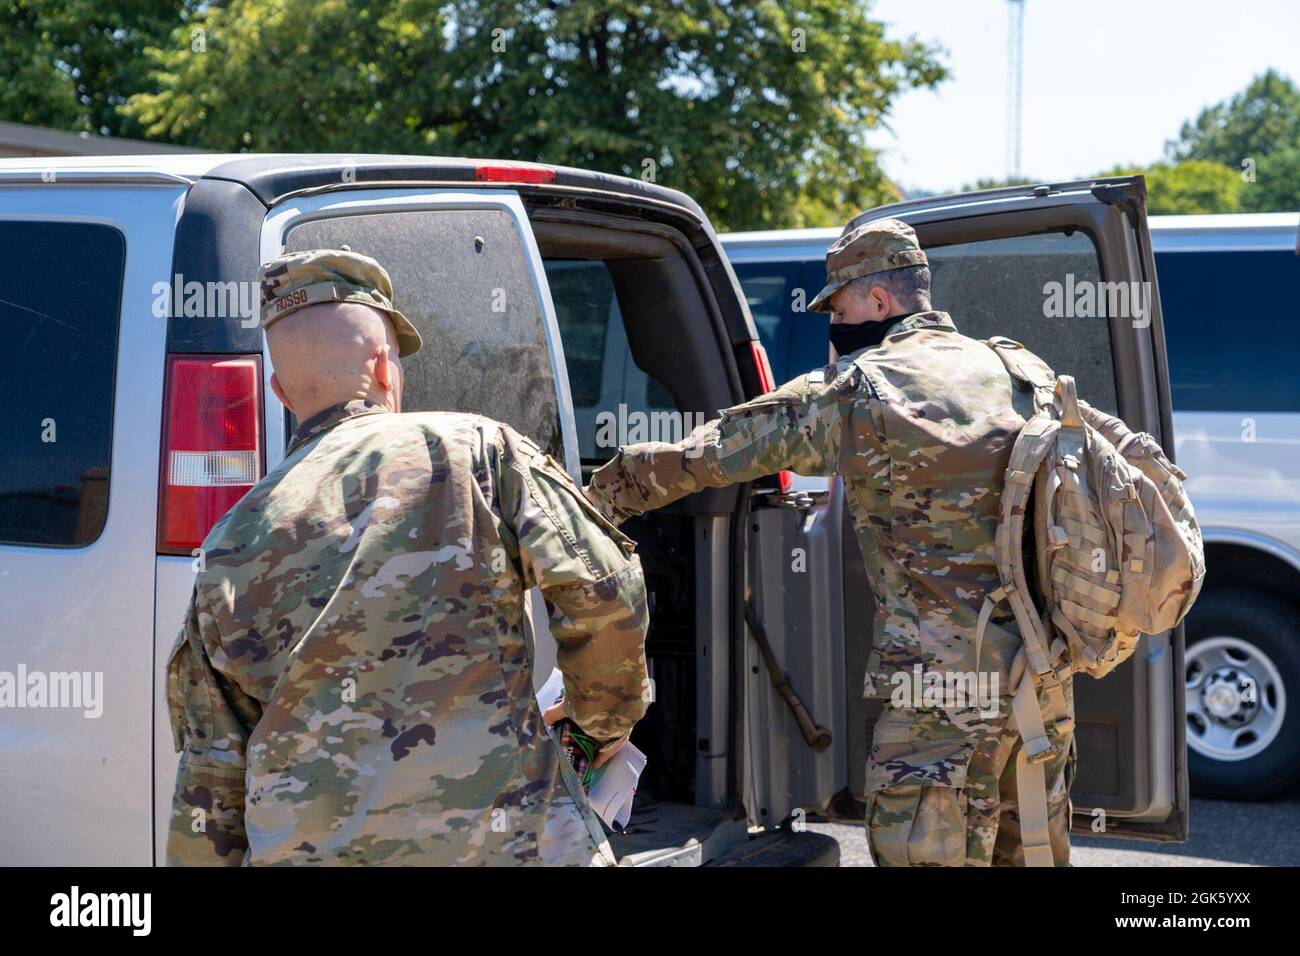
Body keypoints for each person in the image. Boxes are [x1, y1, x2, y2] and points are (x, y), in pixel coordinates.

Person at [586, 218, 1075, 866]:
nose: (835, 329)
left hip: (940, 703)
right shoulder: (1020, 368)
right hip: (1042, 685)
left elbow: (709, 455)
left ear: (879, 301)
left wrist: (595, 495)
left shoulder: (862, 392)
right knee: (1034, 856)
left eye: (840, 309)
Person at [166, 248, 649, 866]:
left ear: (281, 391)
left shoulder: (229, 544)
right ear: (384, 368)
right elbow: (606, 590)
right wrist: (594, 726)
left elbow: (210, 787)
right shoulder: (477, 451)